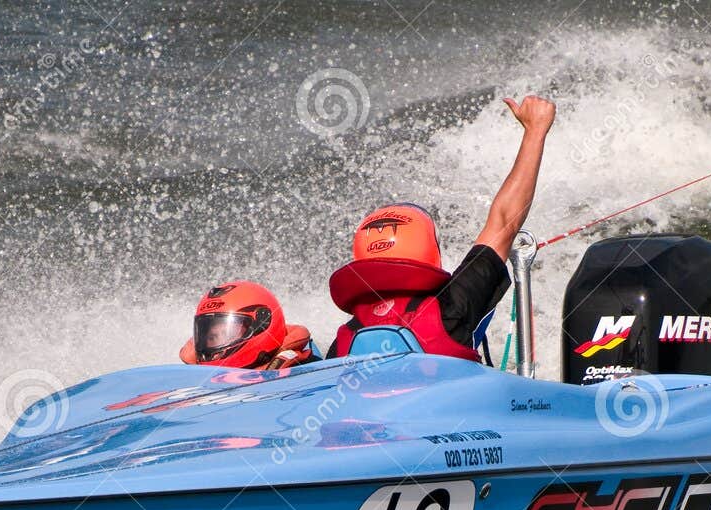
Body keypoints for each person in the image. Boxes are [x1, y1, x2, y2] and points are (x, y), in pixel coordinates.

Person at [327, 94, 557, 361]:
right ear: (427, 249)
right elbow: (506, 219)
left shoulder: (343, 339)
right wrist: (535, 130)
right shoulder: (452, 306)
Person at [178, 281, 317, 370]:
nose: (217, 344)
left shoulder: (305, 371)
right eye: (212, 337)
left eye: (227, 333)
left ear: (261, 324)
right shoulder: (192, 378)